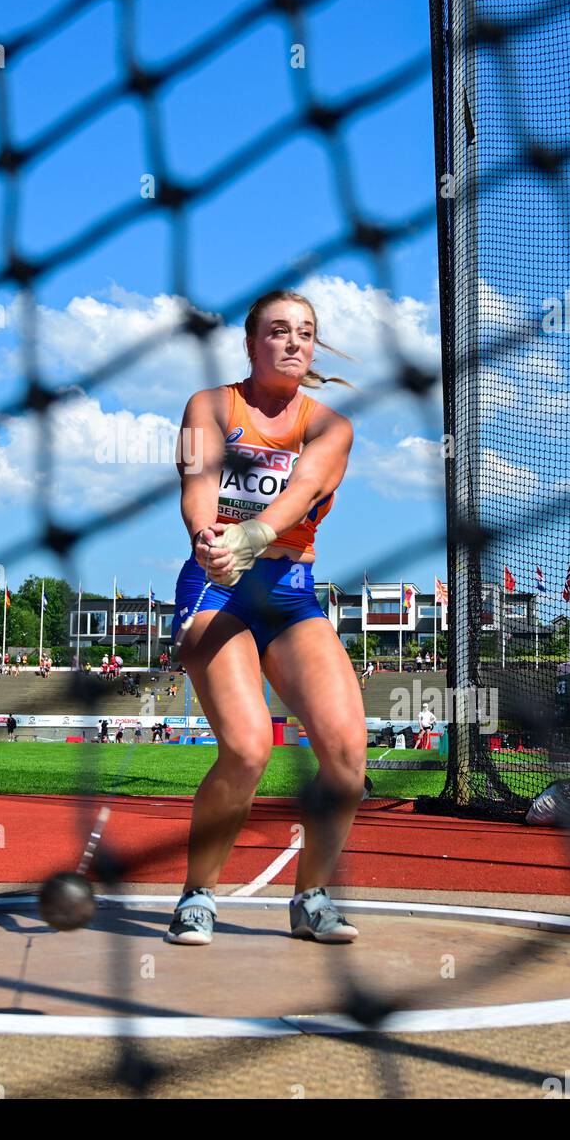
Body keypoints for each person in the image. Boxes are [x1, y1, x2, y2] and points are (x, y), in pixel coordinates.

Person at [165, 289, 362, 947]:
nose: (293, 342)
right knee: (249, 748)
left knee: (345, 758)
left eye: (305, 332)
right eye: (277, 331)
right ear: (251, 343)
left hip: (289, 587)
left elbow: (304, 490)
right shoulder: (211, 406)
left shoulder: (331, 425)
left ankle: (310, 898)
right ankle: (198, 894)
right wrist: (207, 535)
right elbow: (198, 488)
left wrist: (253, 535)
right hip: (216, 585)